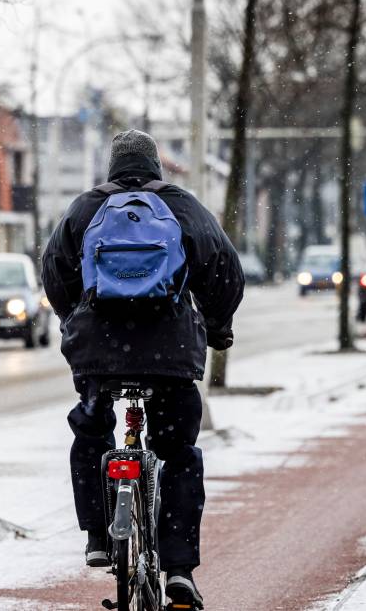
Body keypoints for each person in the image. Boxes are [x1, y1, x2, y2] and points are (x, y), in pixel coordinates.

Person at [41, 129, 244, 608]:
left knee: (91, 430)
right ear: (155, 165)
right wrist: (217, 328)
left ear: (112, 166)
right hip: (169, 351)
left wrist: (77, 320)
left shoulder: (86, 209)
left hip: (100, 348)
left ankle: (96, 534)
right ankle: (177, 569)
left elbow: (54, 272)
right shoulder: (183, 208)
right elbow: (225, 273)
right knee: (177, 451)